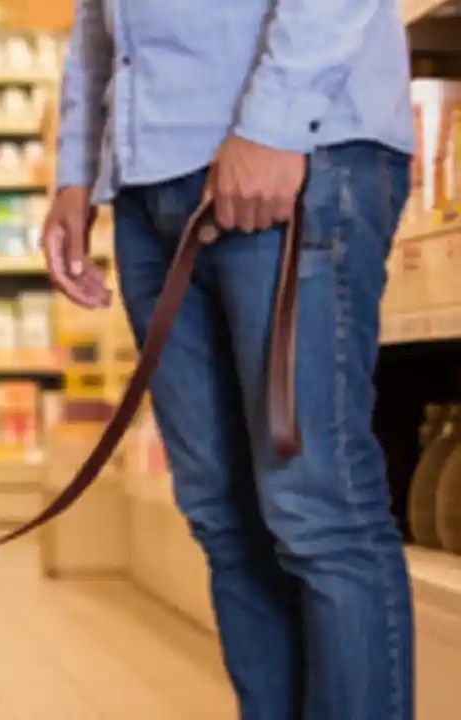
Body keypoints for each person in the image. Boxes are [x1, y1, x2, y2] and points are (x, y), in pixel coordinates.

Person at [43, 2, 414, 719]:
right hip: (151, 178)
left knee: (316, 508)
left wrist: (274, 123)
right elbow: (98, 18)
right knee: (221, 515)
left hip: (292, 158)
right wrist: (78, 171)